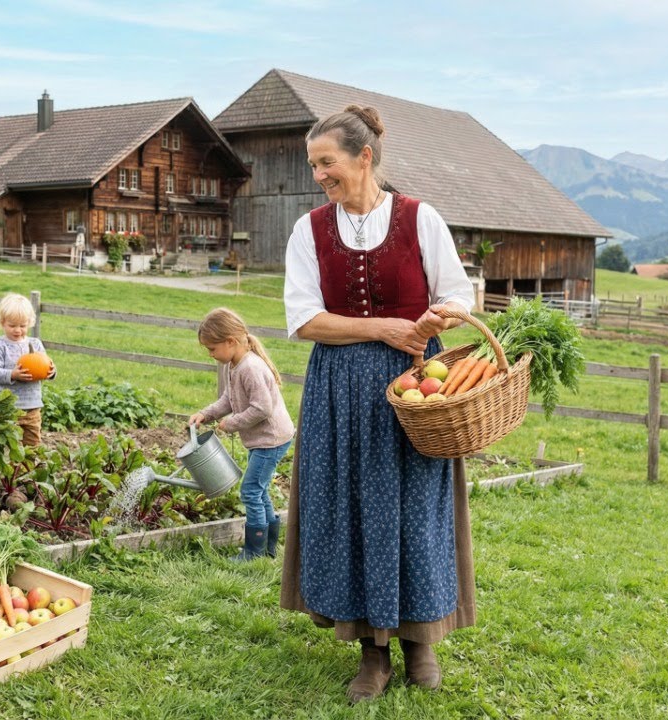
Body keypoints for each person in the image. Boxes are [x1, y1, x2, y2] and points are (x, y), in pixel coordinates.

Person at [279, 105, 478, 703]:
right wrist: (385, 329)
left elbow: (457, 294)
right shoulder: (307, 230)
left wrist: (432, 318)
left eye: (327, 162)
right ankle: (372, 651)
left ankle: (421, 641)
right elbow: (304, 319)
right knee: (353, 509)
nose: (319, 175)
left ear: (363, 157)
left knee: (415, 508)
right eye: (314, 165)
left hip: (418, 385)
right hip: (340, 389)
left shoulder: (421, 218)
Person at [187, 308, 295, 561]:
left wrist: (232, 423)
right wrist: (205, 414)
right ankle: (267, 548)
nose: (211, 355)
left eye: (212, 349)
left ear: (231, 342)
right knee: (259, 489)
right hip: (265, 439)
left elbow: (262, 407)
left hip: (272, 439)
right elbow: (229, 398)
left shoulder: (251, 368)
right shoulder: (233, 365)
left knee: (250, 491)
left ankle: (253, 551)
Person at [0, 292, 55, 447]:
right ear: (2, 322)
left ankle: (28, 469)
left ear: (29, 323)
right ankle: (10, 470)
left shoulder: (35, 345)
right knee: (10, 445)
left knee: (32, 444)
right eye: (12, 325)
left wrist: (51, 372)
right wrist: (12, 374)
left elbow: (44, 365)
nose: (17, 330)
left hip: (32, 408)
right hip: (9, 409)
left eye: (22, 326)